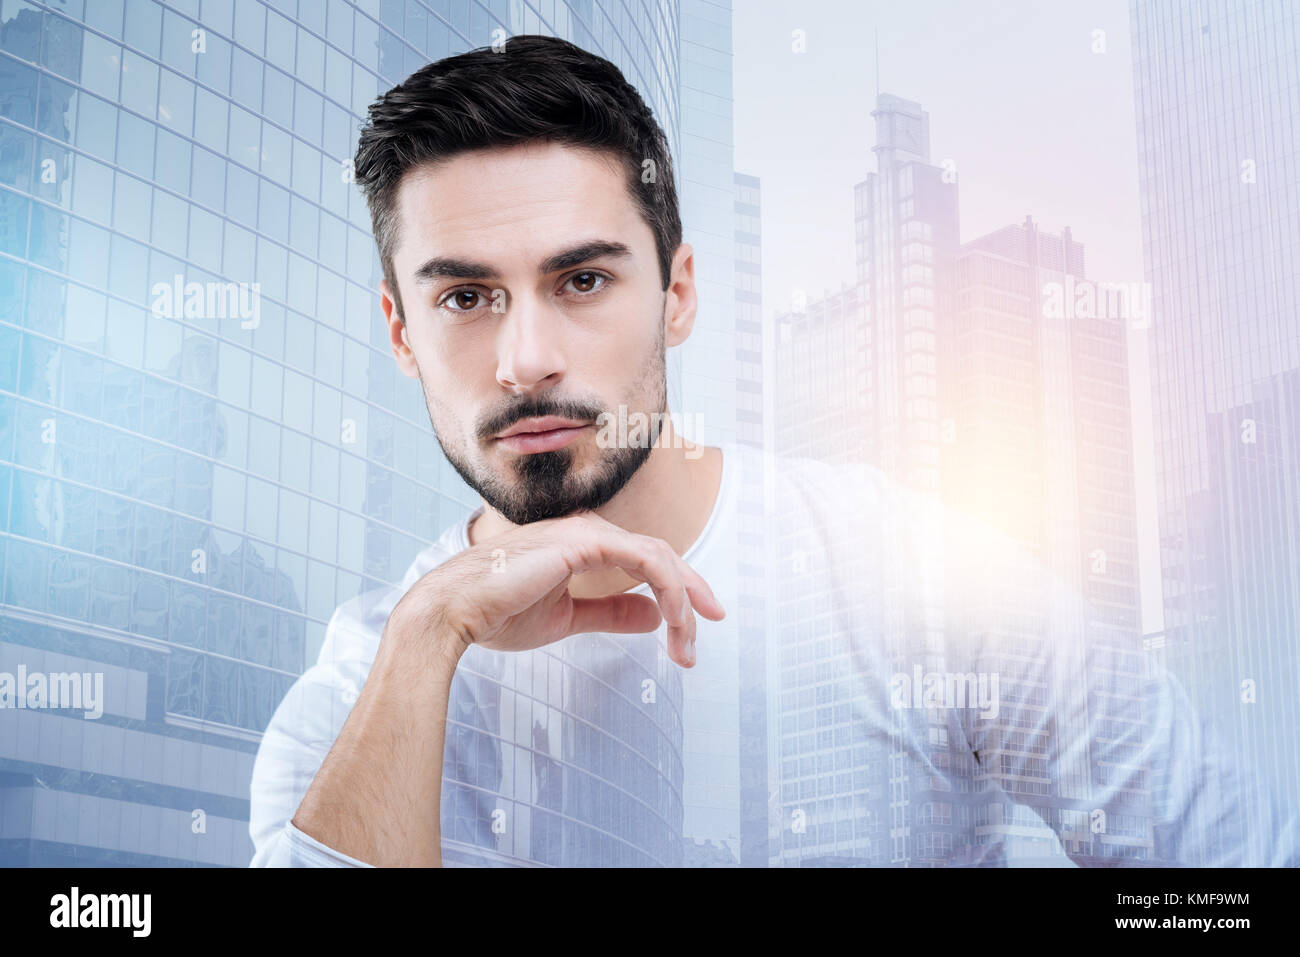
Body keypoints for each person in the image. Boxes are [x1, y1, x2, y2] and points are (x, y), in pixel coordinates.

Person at [248, 35, 1296, 868]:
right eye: (465, 297)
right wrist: (427, 638)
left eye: (582, 282)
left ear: (680, 292)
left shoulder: (913, 578)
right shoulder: (360, 698)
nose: (526, 358)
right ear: (399, 332)